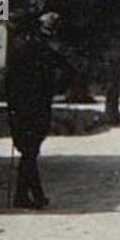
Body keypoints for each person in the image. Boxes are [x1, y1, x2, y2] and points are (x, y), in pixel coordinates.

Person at [5, 12, 71, 210]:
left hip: (19, 106)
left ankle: (26, 196)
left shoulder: (19, 50)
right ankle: (28, 196)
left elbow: (9, 80)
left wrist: (12, 102)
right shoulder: (47, 52)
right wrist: (56, 89)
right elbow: (68, 71)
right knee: (31, 151)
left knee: (28, 150)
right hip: (38, 106)